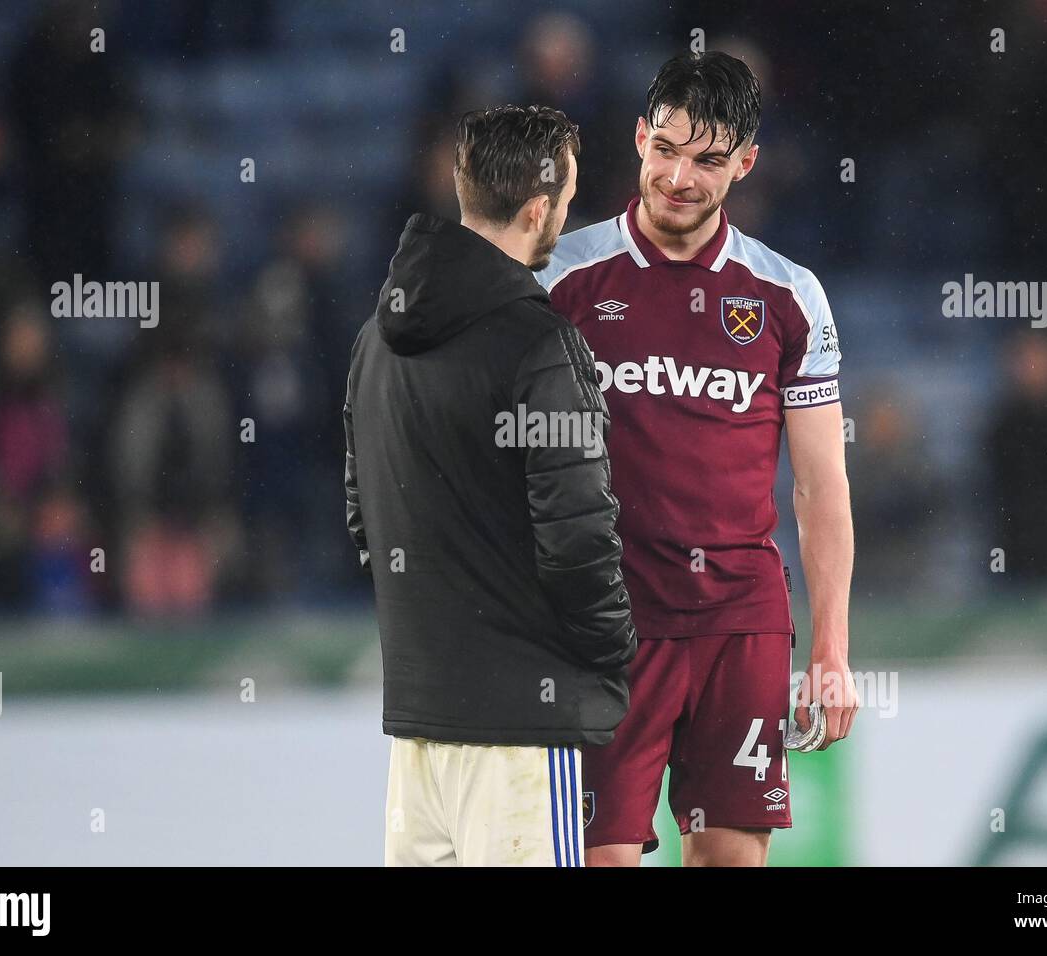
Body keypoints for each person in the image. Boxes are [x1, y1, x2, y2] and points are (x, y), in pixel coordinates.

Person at [536, 52, 858, 867]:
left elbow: (821, 487)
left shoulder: (789, 297)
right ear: (640, 137)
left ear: (745, 164)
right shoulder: (556, 281)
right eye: (667, 149)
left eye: (709, 160)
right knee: (601, 858)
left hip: (738, 625)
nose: (680, 176)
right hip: (606, 628)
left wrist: (831, 651)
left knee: (729, 860)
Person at [344, 105, 637, 866]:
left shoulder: (374, 341)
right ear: (539, 208)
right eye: (566, 202)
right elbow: (577, 537)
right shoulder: (541, 344)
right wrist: (611, 660)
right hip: (522, 735)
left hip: (418, 733)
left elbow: (362, 524)